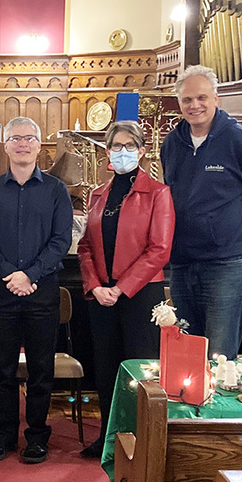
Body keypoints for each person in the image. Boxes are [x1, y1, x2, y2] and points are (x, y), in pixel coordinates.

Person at [160, 65, 242, 360]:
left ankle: (216, 406)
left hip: (226, 263)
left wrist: (237, 235)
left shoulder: (240, 141)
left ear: (216, 98)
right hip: (183, 262)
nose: (195, 105)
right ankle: (190, 406)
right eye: (187, 100)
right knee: (186, 349)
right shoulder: (172, 144)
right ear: (179, 103)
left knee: (219, 354)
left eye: (201, 97)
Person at [0, 117, 73, 464]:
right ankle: (3, 434)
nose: (22, 144)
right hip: (1, 293)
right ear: (5, 145)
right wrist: (10, 275)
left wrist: (29, 275)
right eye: (15, 138)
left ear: (39, 145)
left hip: (42, 292)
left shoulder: (56, 190)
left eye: (29, 138)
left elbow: (61, 241)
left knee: (40, 369)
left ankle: (36, 436)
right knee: (1, 368)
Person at [76, 121, 174, 459]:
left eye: (129, 146)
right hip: (101, 297)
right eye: (116, 146)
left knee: (140, 373)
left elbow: (160, 249)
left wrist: (121, 288)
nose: (122, 152)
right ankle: (108, 438)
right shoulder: (98, 194)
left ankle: (141, 440)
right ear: (106, 152)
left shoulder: (158, 193)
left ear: (142, 150)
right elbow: (86, 246)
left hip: (140, 295)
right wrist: (95, 286)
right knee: (106, 371)